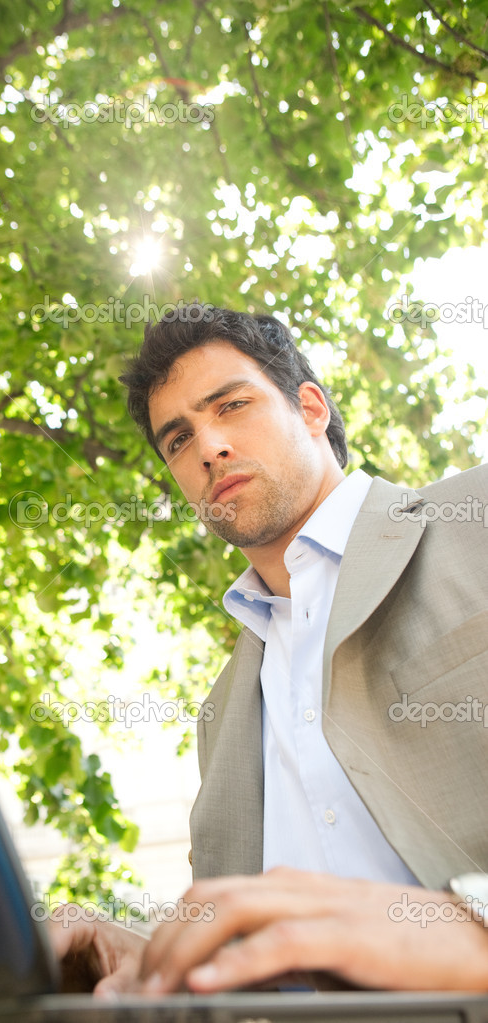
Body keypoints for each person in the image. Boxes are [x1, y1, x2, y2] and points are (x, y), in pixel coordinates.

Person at [50, 306, 488, 996]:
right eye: (177, 439)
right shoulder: (220, 713)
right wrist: (146, 958)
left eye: (231, 405)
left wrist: (466, 930)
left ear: (310, 408)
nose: (208, 447)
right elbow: (260, 961)